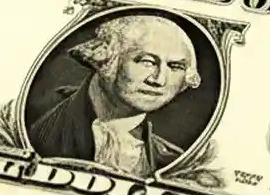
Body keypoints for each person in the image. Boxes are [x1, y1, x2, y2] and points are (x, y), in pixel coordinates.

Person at [28, 14, 202, 176]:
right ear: (107, 60)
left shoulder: (173, 161)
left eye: (175, 67)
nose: (159, 80)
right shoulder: (36, 120)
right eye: (147, 62)